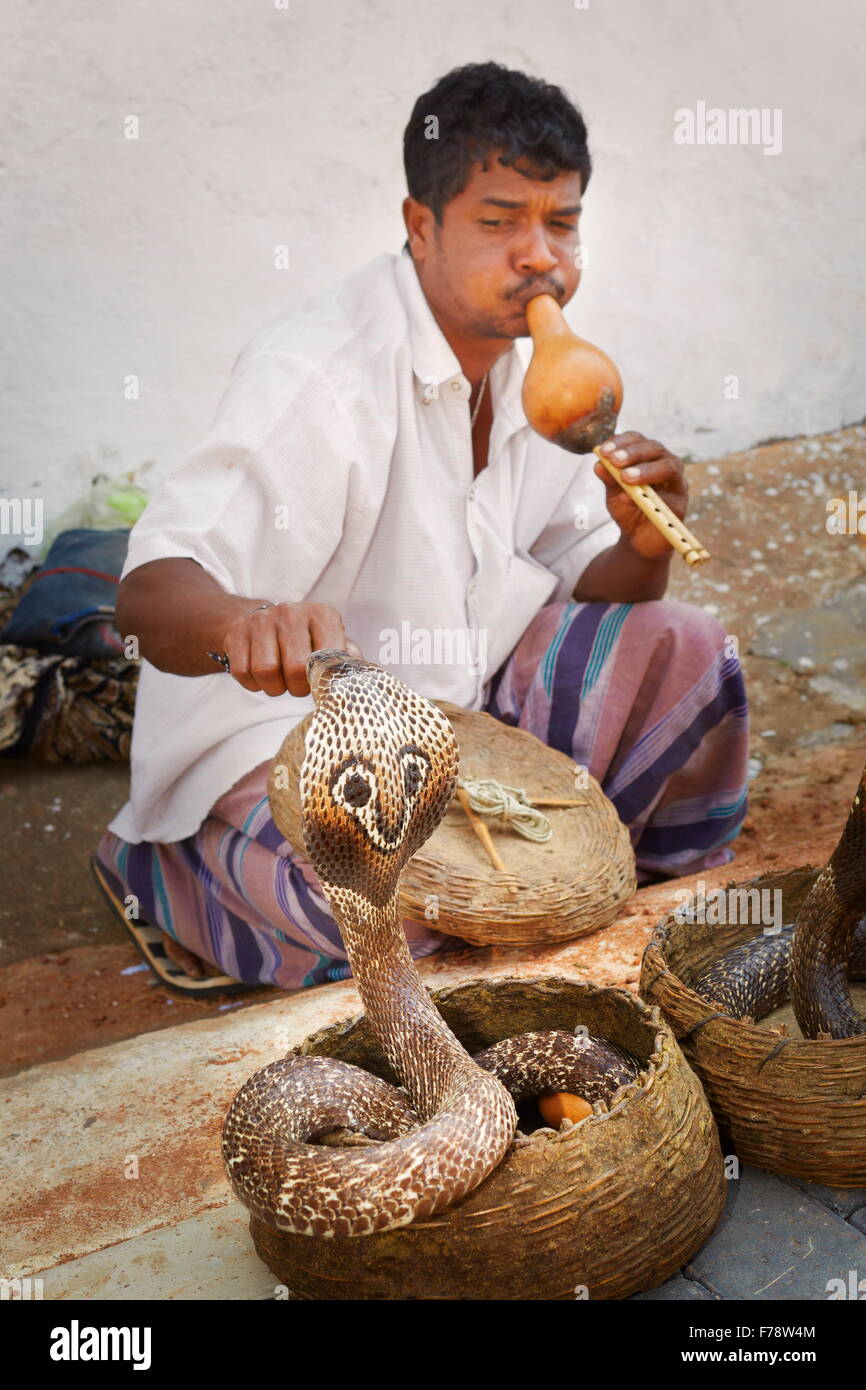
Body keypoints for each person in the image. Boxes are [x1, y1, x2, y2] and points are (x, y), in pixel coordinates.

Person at [94, 61, 749, 990]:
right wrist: (246, 623)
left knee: (690, 650)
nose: (540, 256)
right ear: (421, 226)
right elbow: (149, 593)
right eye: (499, 221)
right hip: (292, 746)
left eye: (560, 222)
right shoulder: (318, 377)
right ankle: (164, 869)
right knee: (399, 927)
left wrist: (641, 544)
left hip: (457, 713)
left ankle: (644, 918)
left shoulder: (542, 371)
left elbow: (586, 587)